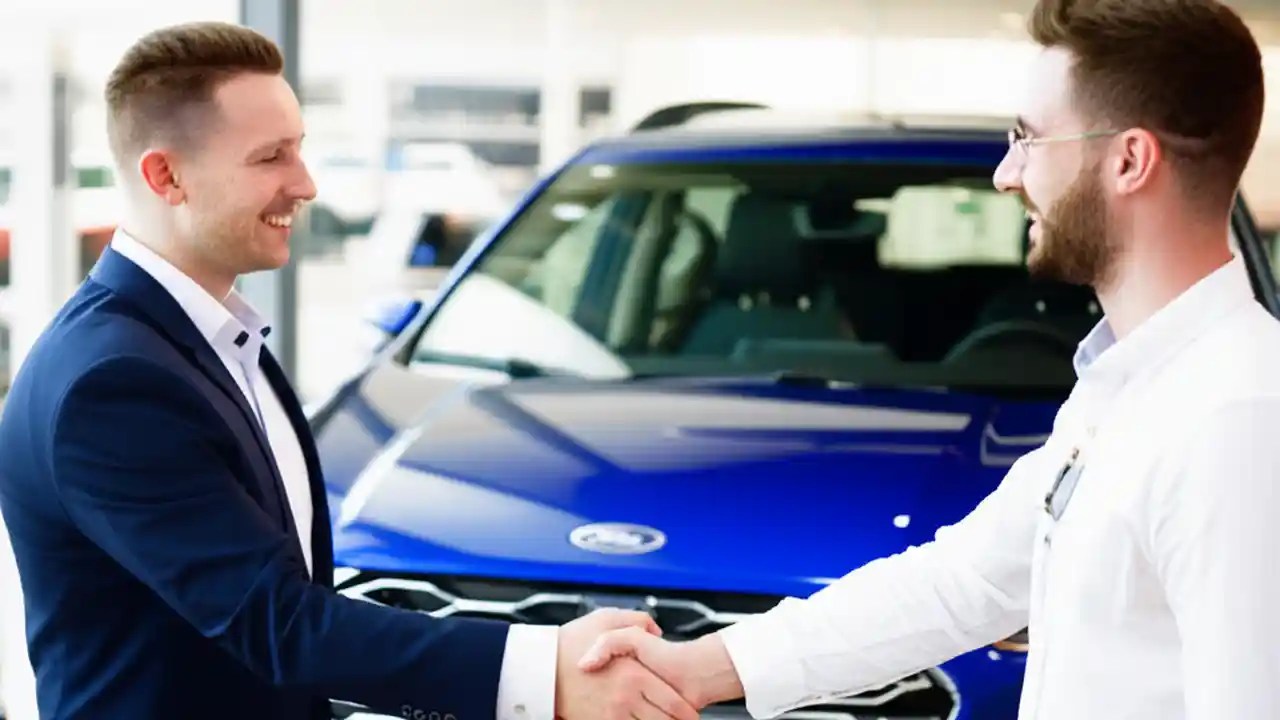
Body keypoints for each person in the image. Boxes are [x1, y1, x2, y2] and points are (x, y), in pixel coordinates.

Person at [577, 1, 1280, 718]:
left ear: (1129, 160)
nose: (1007, 174)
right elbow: (962, 584)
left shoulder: (1237, 420)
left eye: (1028, 139)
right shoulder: (1132, 387)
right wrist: (698, 669)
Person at [0, 21, 697, 720]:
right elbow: (279, 625)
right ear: (166, 175)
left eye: (298, 150)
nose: (304, 184)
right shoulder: (112, 384)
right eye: (271, 157)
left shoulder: (209, 339)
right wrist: (545, 671)